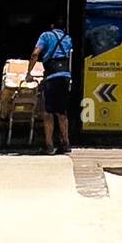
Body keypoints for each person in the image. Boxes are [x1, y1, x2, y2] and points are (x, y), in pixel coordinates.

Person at [27, 17, 73, 155]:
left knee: (48, 113)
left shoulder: (46, 36)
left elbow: (35, 54)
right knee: (62, 112)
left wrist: (29, 73)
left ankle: (49, 145)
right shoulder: (68, 38)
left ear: (52, 26)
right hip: (65, 76)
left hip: (52, 76)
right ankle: (65, 143)